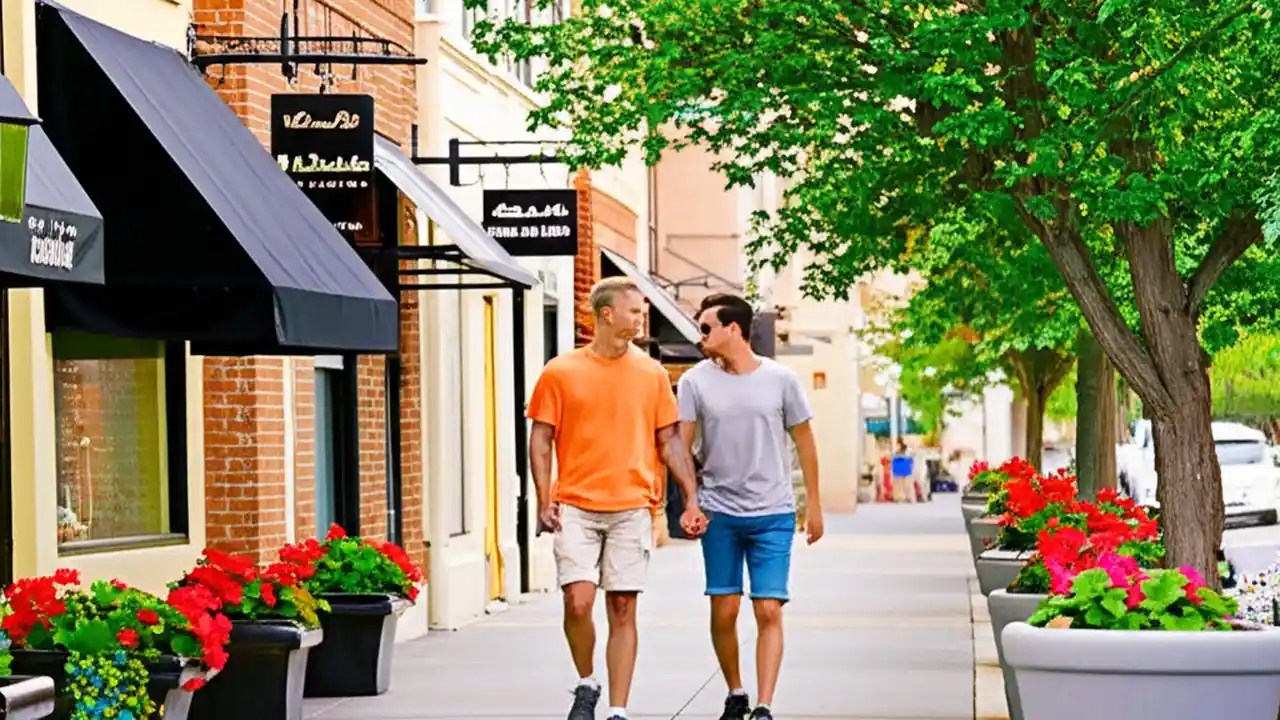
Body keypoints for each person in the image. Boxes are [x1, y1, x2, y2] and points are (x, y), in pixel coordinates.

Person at [527, 276, 708, 720]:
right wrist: (542, 496)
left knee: (623, 606)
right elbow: (541, 438)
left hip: (632, 507)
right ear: (607, 314)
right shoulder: (560, 371)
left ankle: (618, 710)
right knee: (579, 601)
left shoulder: (650, 374)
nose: (641, 316)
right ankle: (587, 681)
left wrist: (690, 498)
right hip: (575, 504)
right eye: (635, 310)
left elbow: (669, 441)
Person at [677, 293, 822, 720]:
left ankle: (764, 705)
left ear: (732, 329)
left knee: (768, 607)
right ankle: (735, 690)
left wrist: (813, 503)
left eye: (706, 328)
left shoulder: (781, 380)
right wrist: (690, 500)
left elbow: (806, 442)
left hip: (773, 512)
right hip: (719, 512)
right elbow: (680, 447)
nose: (700, 336)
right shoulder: (694, 382)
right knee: (724, 608)